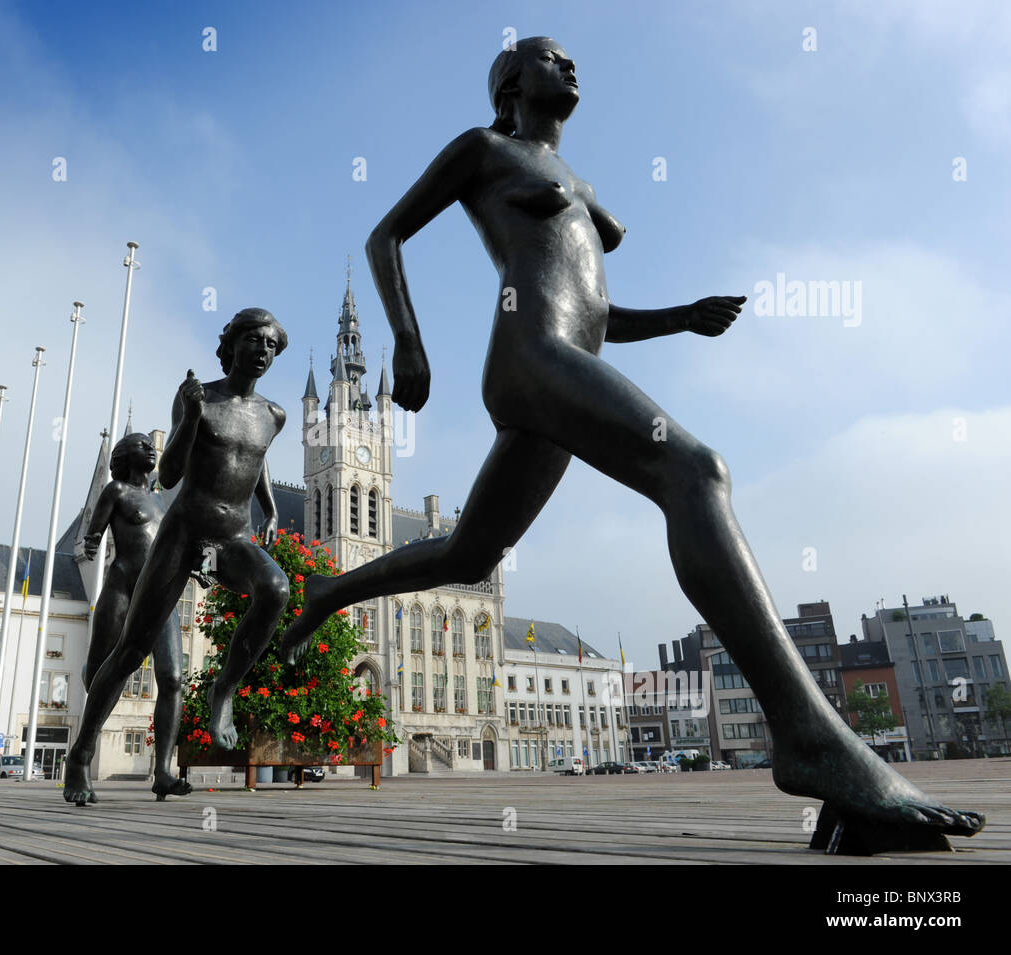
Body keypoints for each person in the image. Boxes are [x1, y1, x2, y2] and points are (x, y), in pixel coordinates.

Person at [281, 37, 983, 846]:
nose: (569, 66)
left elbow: (597, 312)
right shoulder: (485, 149)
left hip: (568, 355)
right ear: (511, 84)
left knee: (467, 557)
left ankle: (323, 595)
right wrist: (408, 339)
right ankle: (811, 736)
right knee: (695, 471)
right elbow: (387, 235)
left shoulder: (576, 183)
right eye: (550, 57)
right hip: (530, 356)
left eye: (572, 58)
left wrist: (681, 316)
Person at [63, 308, 289, 806]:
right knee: (128, 654)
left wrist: (269, 507)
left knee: (275, 589)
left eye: (272, 345)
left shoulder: (273, 415)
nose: (263, 351)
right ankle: (80, 756)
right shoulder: (198, 396)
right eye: (254, 340)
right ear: (231, 345)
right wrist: (189, 419)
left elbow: (257, 455)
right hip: (184, 535)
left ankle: (222, 692)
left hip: (232, 538)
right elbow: (166, 473)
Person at [79, 432, 192, 801]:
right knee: (102, 674)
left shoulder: (162, 500)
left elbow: (178, 544)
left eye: (151, 444)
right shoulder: (115, 492)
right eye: (142, 444)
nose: (151, 448)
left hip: (161, 594)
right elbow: (92, 534)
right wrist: (93, 541)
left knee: (173, 678)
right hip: (124, 589)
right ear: (125, 456)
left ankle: (162, 771)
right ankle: (80, 759)